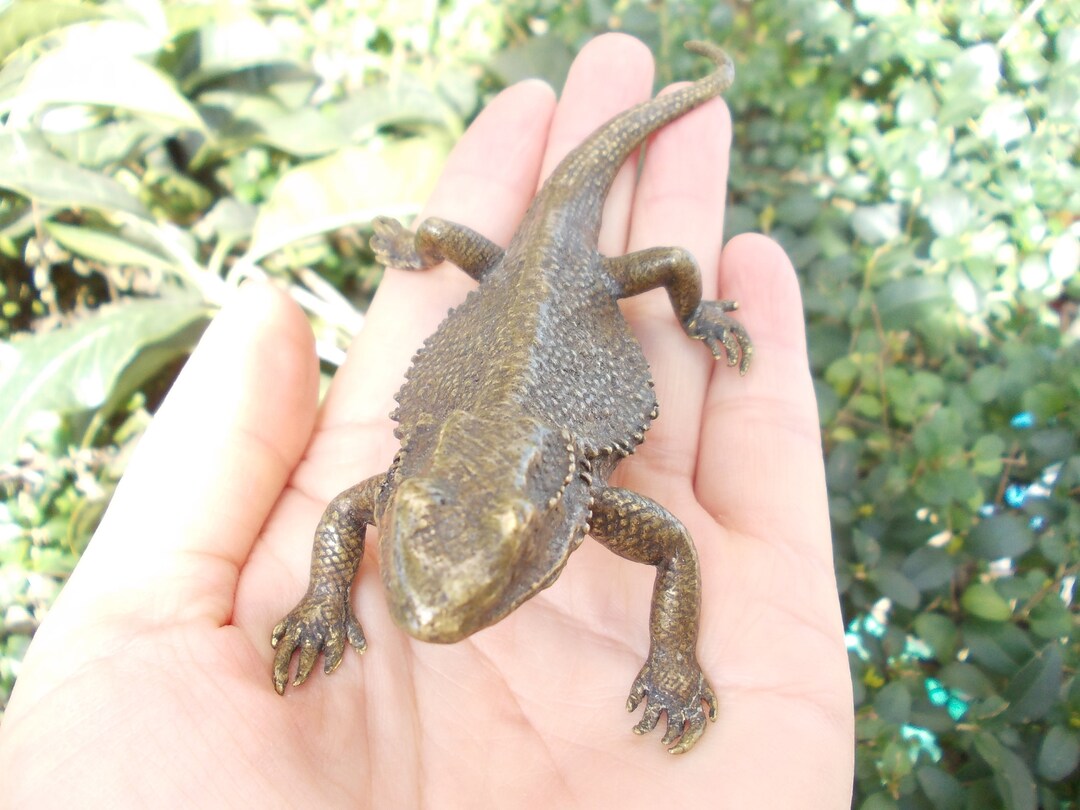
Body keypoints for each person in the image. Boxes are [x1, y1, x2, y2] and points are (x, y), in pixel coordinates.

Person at [0, 34, 853, 807]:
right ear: (409, 492)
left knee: (660, 259)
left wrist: (690, 310)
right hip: (516, 295)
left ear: (553, 513)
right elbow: (348, 511)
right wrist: (324, 598)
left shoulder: (586, 497)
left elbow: (674, 542)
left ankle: (698, 90)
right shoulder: (401, 489)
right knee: (450, 229)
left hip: (570, 284)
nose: (431, 613)